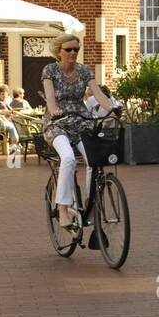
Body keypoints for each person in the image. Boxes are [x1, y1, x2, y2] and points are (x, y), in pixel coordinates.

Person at [41, 35, 116, 231]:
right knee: (68, 158)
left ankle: (90, 205)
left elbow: (97, 93)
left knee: (94, 160)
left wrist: (112, 107)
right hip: (57, 122)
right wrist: (54, 109)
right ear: (59, 51)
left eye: (76, 49)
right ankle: (63, 210)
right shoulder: (50, 70)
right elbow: (49, 97)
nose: (73, 53)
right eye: (69, 49)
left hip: (81, 121)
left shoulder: (84, 70)